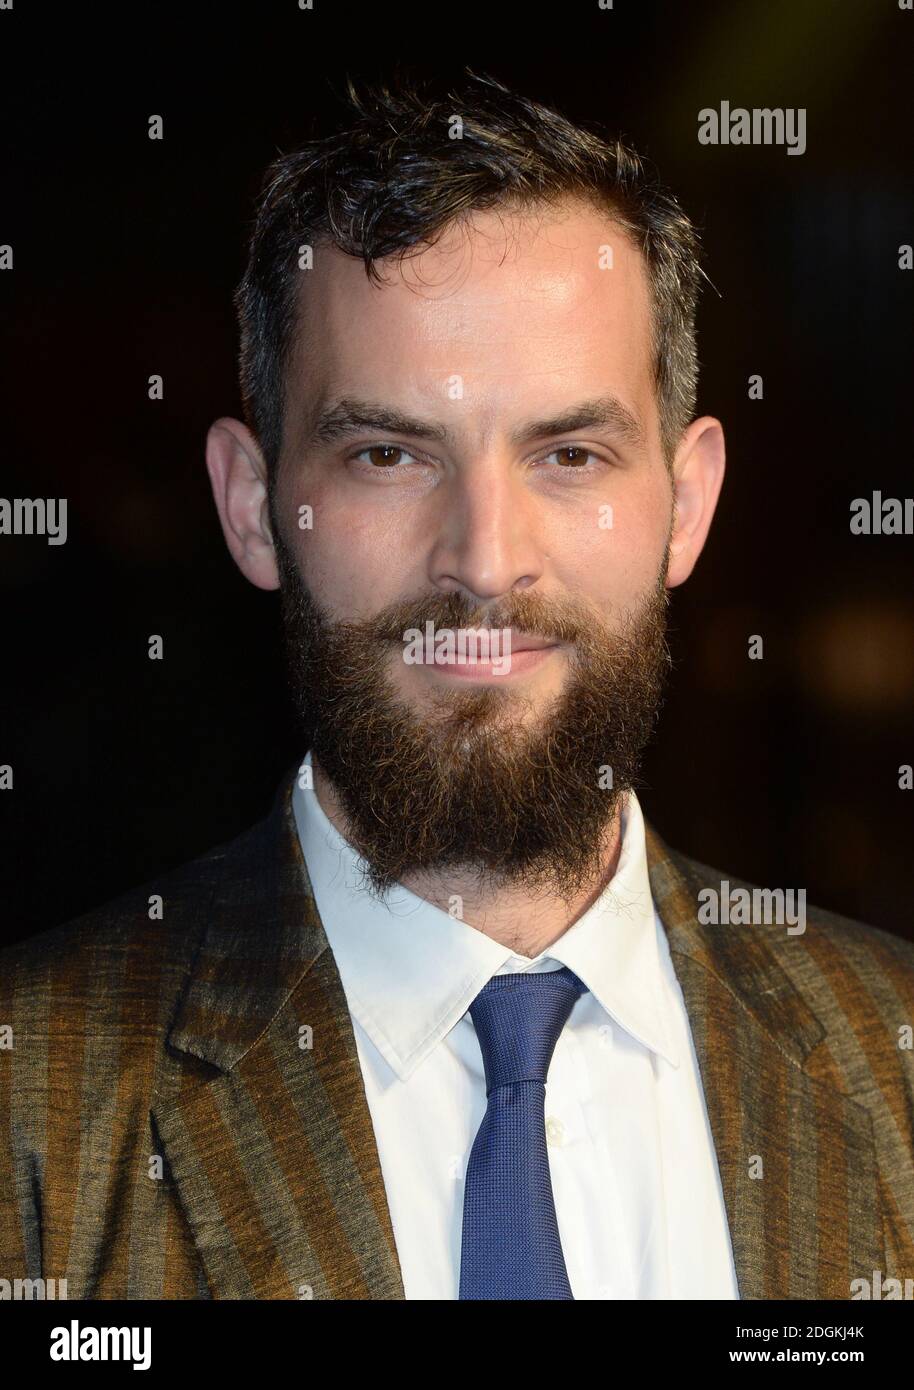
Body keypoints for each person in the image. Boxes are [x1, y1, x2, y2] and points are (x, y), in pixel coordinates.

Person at [2, 68, 913, 1302]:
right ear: (252, 507)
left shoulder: (893, 1060)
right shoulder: (29, 1114)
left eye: (569, 452)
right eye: (386, 454)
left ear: (685, 506)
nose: (484, 558)